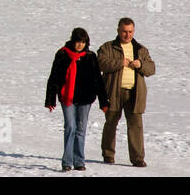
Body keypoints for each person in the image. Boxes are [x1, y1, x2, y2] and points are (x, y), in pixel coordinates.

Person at [45, 27, 109, 171]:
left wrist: (103, 101)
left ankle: (79, 161)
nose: (80, 45)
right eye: (78, 41)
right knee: (70, 127)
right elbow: (53, 78)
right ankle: (67, 162)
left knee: (81, 129)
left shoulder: (90, 56)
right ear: (72, 41)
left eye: (83, 42)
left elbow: (98, 80)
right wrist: (50, 99)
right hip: (67, 98)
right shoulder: (62, 54)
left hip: (85, 99)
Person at [97, 18, 156, 168]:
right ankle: (108, 155)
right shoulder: (108, 47)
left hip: (134, 94)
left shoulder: (140, 49)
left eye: (130, 32)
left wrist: (140, 64)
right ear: (118, 30)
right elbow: (100, 63)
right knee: (111, 123)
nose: (127, 35)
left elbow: (151, 69)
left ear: (133, 31)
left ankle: (137, 158)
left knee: (136, 126)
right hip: (113, 93)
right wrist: (119, 63)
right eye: (124, 31)